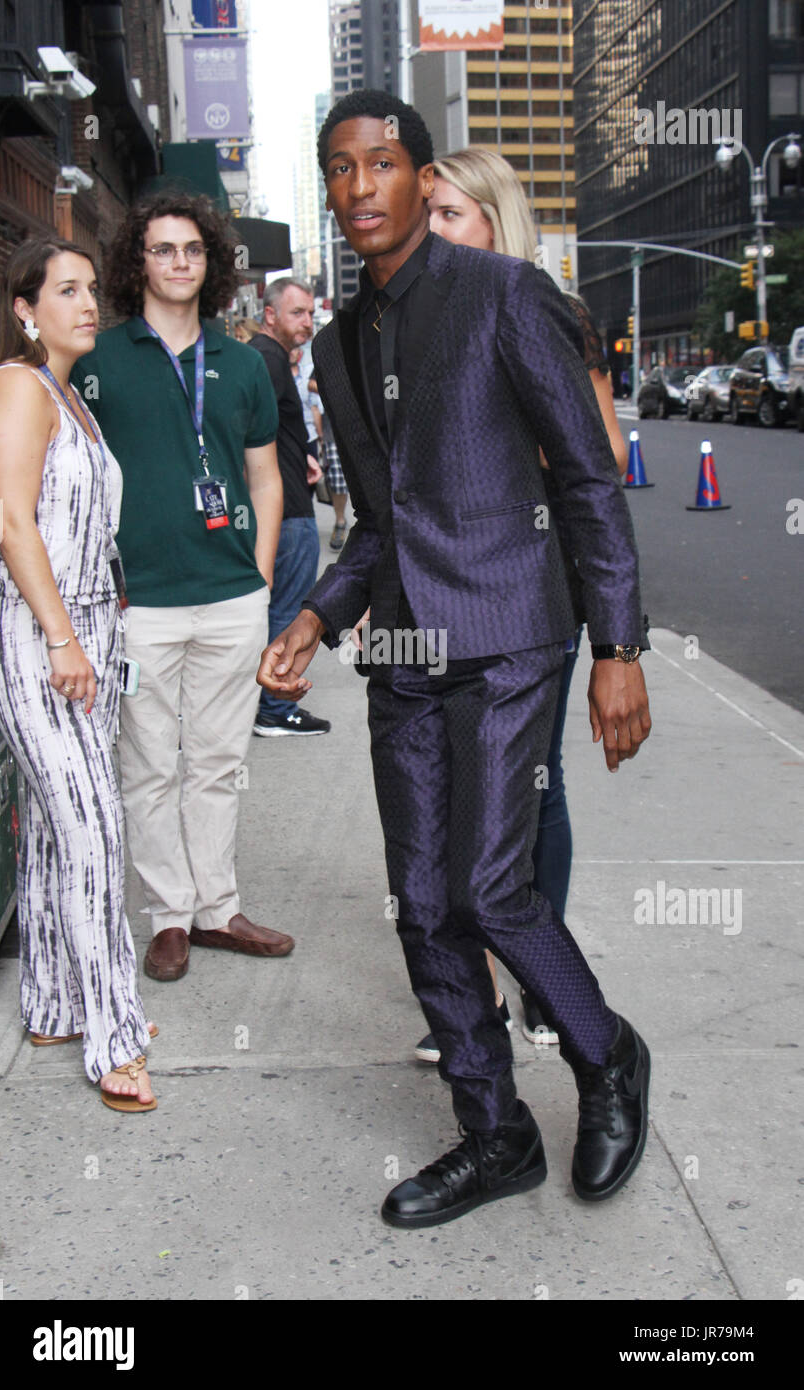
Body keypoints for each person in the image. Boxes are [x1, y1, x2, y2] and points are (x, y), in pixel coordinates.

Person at [258, 89, 653, 1228]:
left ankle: (605, 1053)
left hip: (516, 632)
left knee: (490, 887)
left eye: (382, 162)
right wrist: (318, 616)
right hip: (408, 649)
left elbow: (584, 478)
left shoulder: (503, 296)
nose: (361, 184)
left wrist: (618, 645)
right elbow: (379, 521)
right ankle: (496, 1134)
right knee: (423, 902)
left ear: (415, 178)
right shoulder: (333, 345)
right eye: (339, 168)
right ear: (330, 193)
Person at [400, 145, 629, 1062]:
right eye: (429, 215)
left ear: (495, 221)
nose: (433, 231)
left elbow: (601, 458)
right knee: (459, 787)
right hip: (441, 580)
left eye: (451, 214)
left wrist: (502, 457)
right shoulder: (411, 315)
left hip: (534, 580)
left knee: (535, 785)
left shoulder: (539, 307)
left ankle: (537, 971)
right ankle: (490, 986)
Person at [72, 193, 294, 984]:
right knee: (149, 765)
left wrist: (262, 580)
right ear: (140, 262)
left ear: (212, 264)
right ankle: (166, 916)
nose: (177, 262)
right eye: (162, 249)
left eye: (192, 250)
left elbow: (266, 480)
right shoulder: (98, 359)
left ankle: (216, 909)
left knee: (218, 760)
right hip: (139, 605)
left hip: (231, 597)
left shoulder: (241, 365)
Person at [0, 238, 157, 1112]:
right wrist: (60, 637)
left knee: (58, 830)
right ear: (23, 307)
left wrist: (98, 626)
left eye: (92, 288)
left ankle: (54, 1002)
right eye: (67, 289)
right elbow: (14, 524)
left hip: (84, 631)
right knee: (95, 828)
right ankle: (115, 1035)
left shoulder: (68, 397)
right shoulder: (14, 386)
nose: (89, 302)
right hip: (36, 635)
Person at [251, 279, 331, 737]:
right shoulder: (266, 358)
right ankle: (275, 710)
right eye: (297, 313)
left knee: (281, 608)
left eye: (308, 314)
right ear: (270, 315)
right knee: (287, 612)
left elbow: (268, 430)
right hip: (286, 511)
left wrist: (300, 455)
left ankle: (271, 707)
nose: (306, 322)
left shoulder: (271, 358)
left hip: (289, 498)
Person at [308, 371, 350, 551]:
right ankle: (340, 521)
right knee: (338, 481)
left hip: (364, 425)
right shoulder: (332, 348)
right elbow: (311, 384)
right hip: (333, 428)